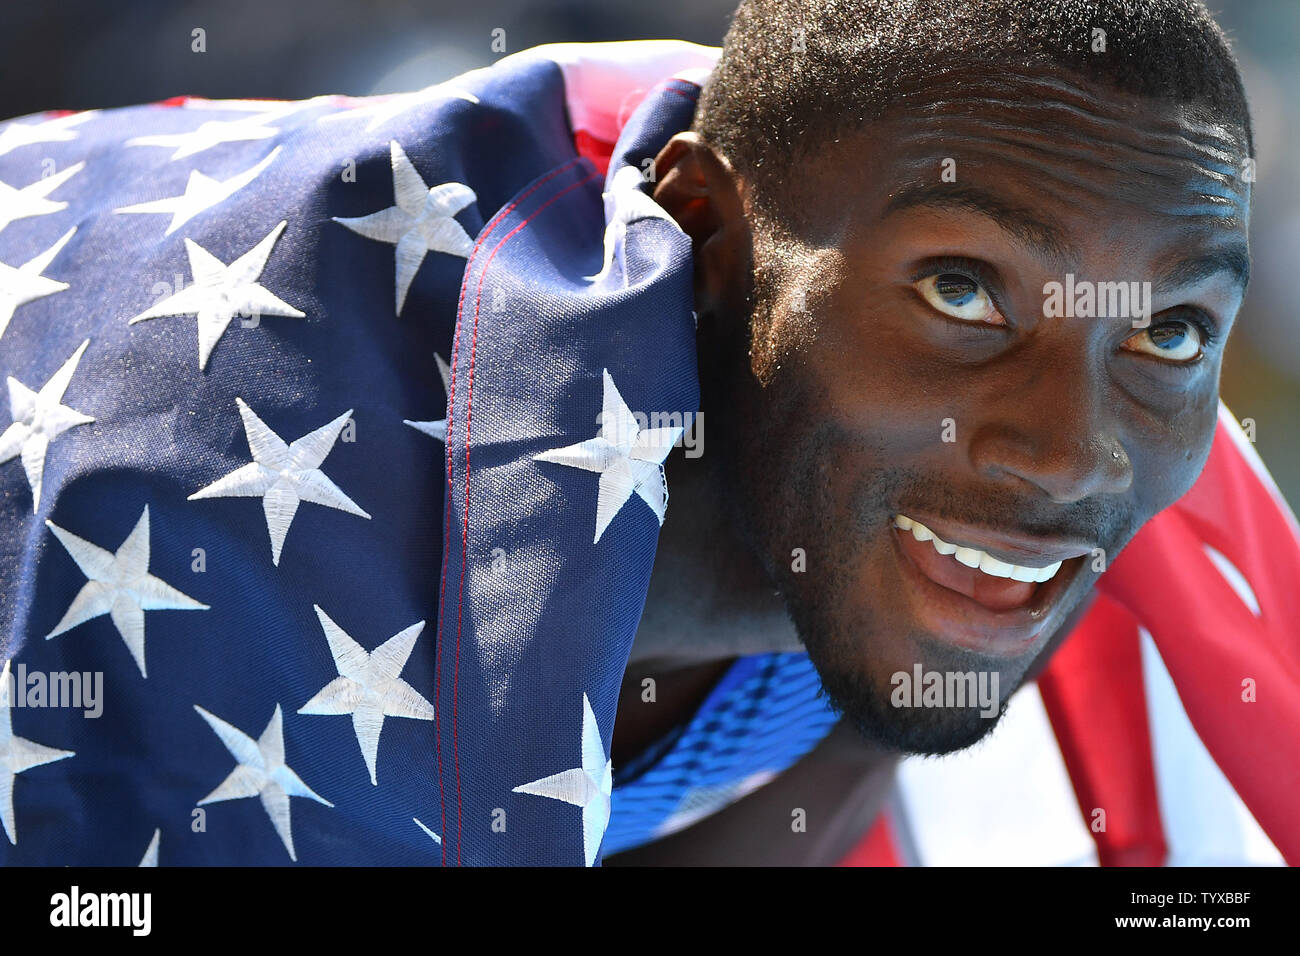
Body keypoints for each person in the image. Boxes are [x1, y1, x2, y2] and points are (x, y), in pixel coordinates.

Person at [0, 0, 1295, 866]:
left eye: (1172, 331)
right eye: (961, 291)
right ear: (709, 239)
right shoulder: (195, 519)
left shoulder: (911, 551)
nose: (1071, 455)